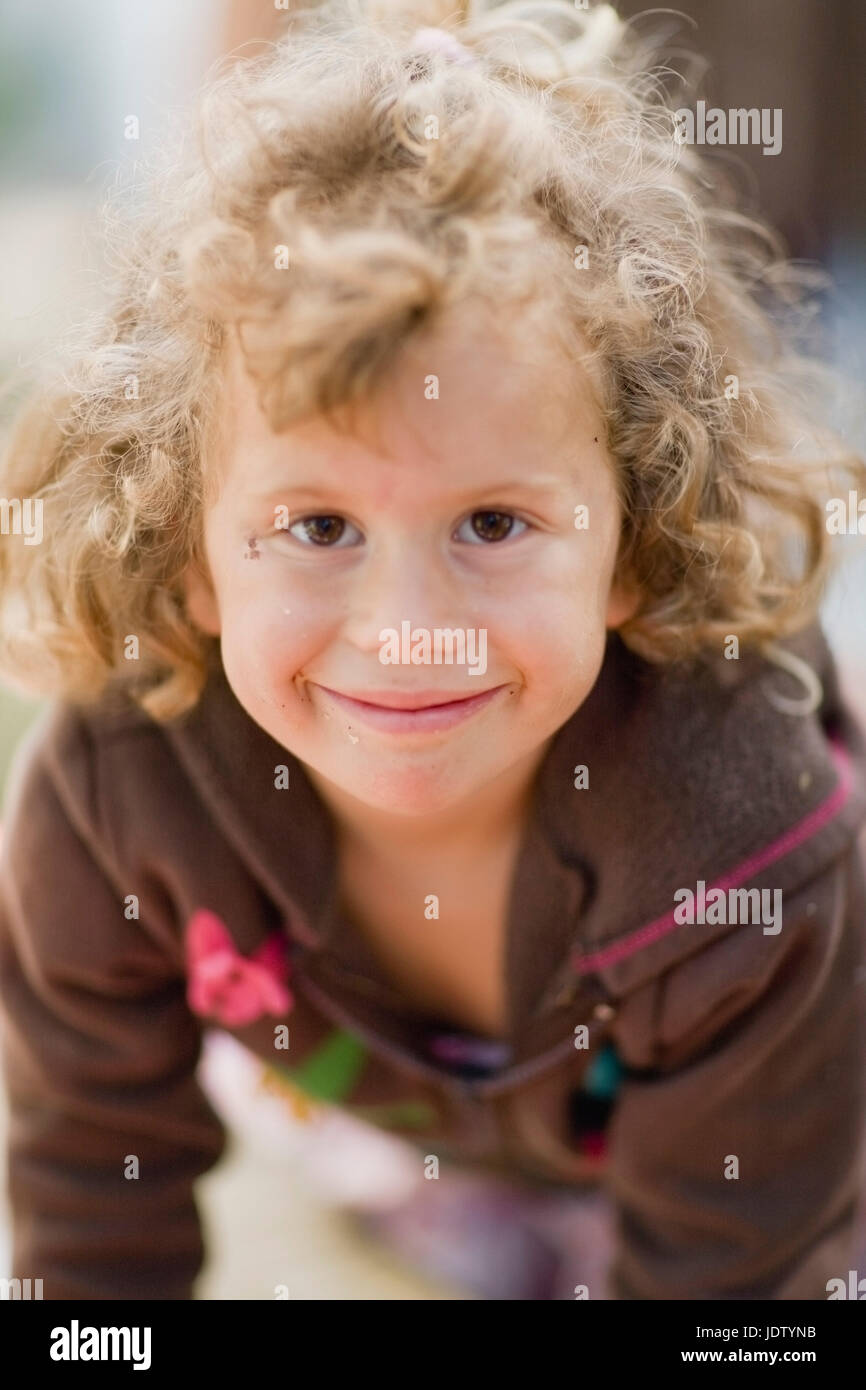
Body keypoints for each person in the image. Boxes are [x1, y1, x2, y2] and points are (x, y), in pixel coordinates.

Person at [1, 0, 865, 1301]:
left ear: (629, 546)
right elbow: (90, 1220)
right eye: (318, 526)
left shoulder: (744, 846)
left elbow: (733, 1290)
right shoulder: (114, 798)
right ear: (191, 554)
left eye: (493, 522)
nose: (406, 624)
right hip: (430, 1160)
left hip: (778, 1127)